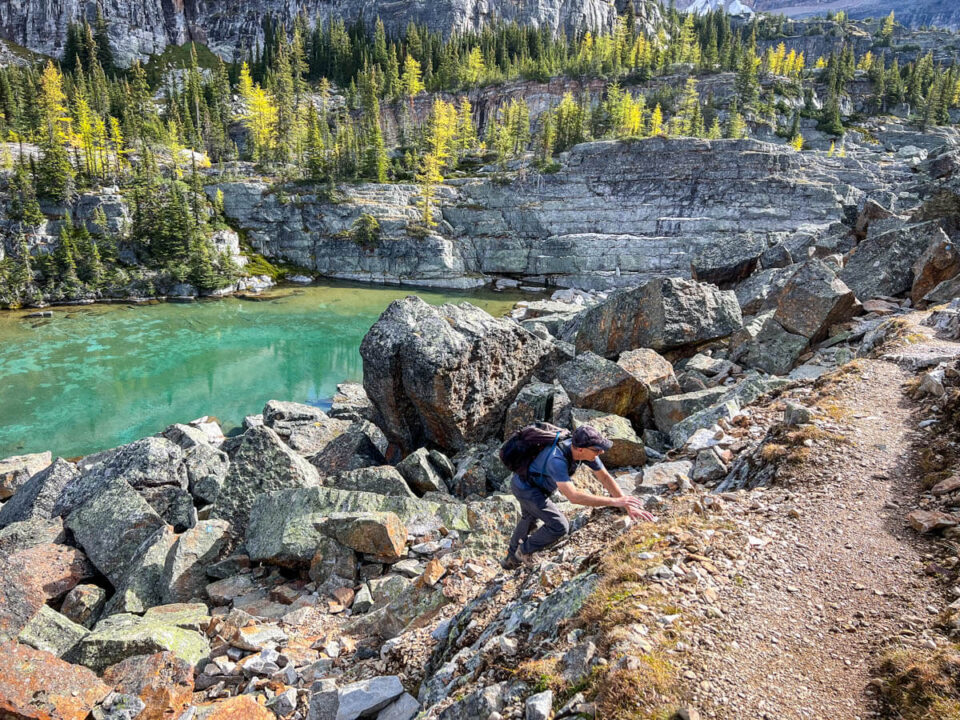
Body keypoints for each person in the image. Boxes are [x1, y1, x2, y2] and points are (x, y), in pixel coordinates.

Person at [501, 424, 653, 570]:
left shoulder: (586, 452)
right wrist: (615, 501)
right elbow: (573, 497)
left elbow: (605, 477)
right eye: (597, 450)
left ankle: (511, 558)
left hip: (533, 484)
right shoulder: (556, 460)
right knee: (559, 526)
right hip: (526, 489)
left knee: (529, 517)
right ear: (580, 449)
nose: (601, 452)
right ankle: (523, 551)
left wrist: (627, 505)